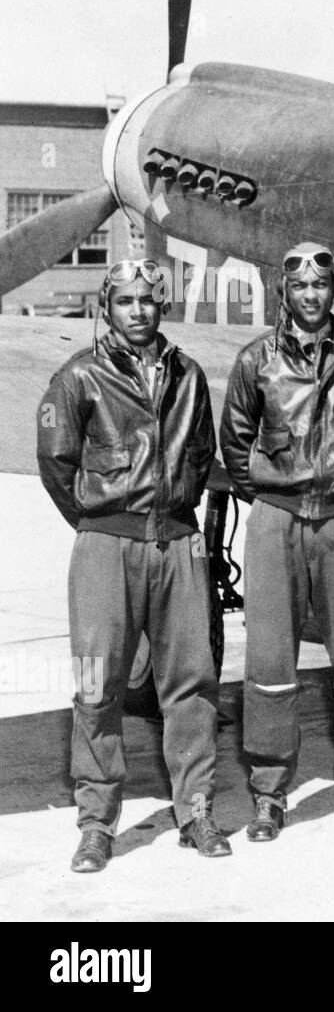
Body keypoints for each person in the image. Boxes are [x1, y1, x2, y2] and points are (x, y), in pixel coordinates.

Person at [38, 258, 228, 871]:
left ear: (160, 305)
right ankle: (97, 824)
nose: (139, 310)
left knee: (192, 685)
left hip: (178, 545)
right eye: (126, 301)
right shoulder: (79, 378)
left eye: (148, 300)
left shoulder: (189, 376)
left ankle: (195, 810)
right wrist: (101, 525)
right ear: (107, 308)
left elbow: (199, 455)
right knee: (98, 687)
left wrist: (169, 521)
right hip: (105, 547)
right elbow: (57, 463)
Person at [220, 243, 334, 838]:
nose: (311, 296)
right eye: (300, 288)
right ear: (284, 294)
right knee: (269, 660)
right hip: (276, 521)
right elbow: (235, 443)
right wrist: (275, 495)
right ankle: (270, 792)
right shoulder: (255, 362)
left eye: (321, 286)